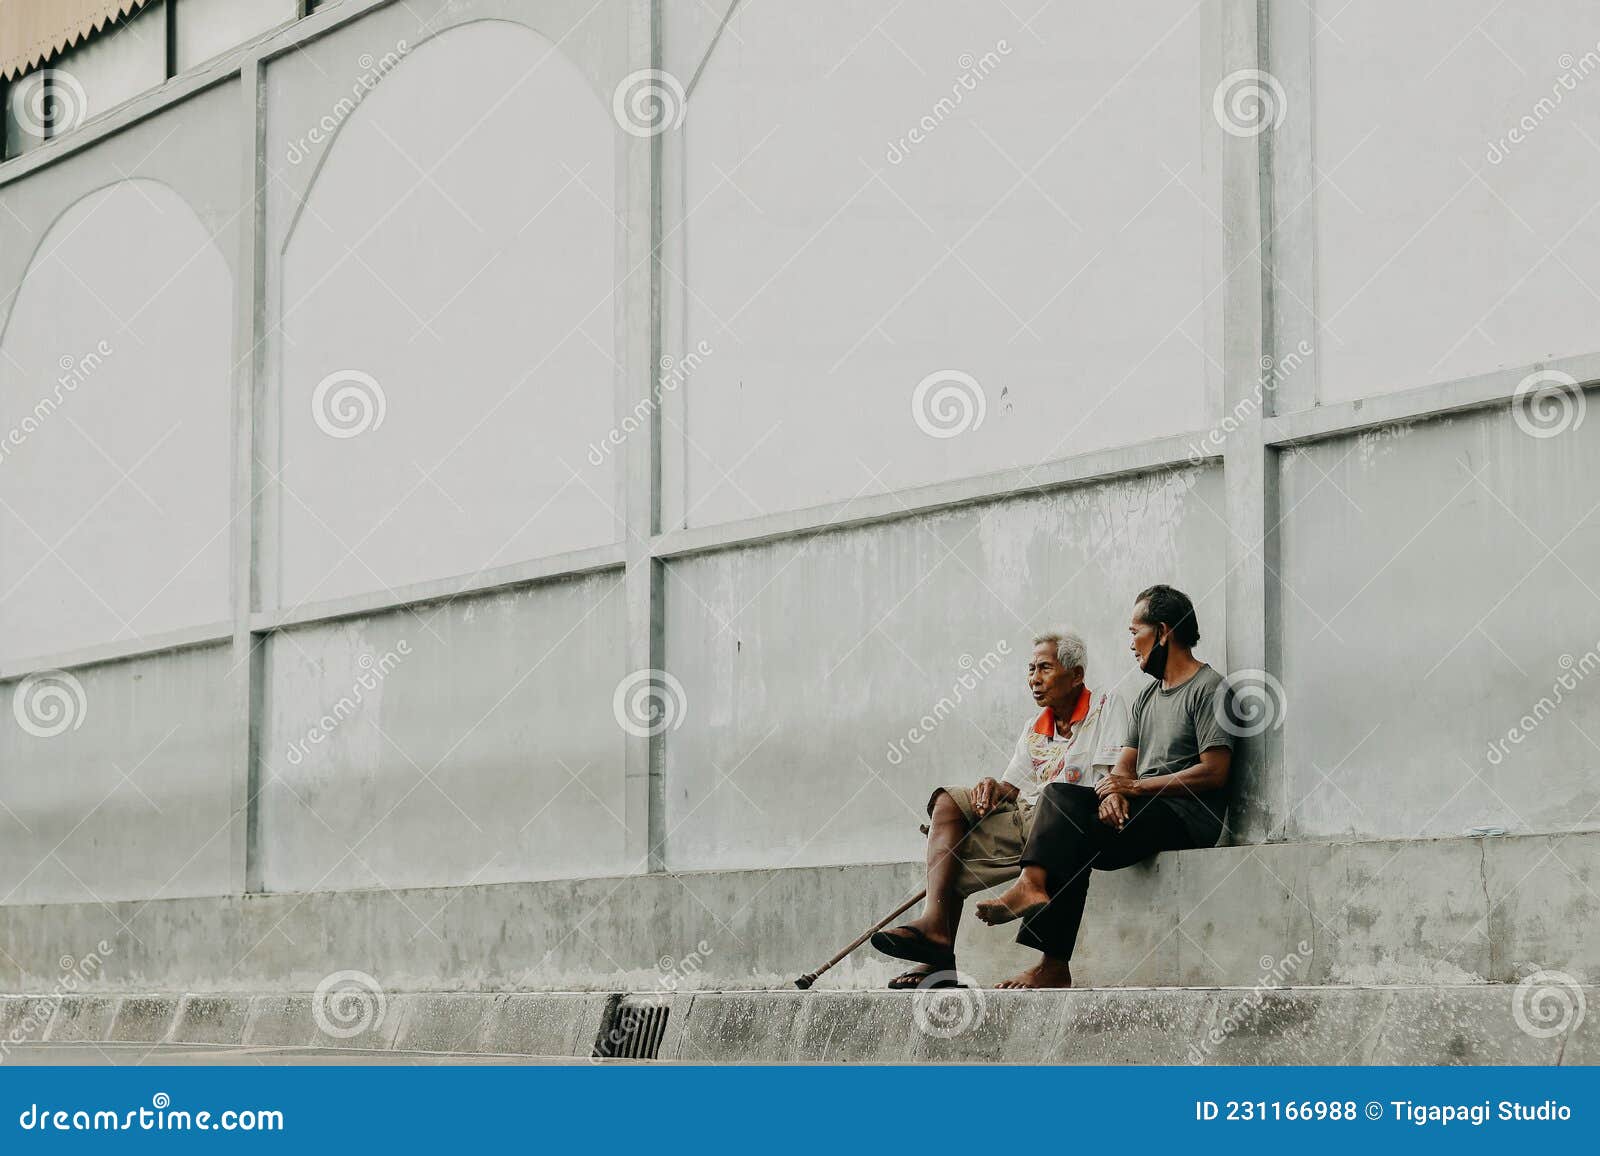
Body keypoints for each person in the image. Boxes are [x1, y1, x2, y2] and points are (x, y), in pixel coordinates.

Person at [975, 584, 1234, 989]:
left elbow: (1214, 772)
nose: (1131, 644)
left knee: (1061, 801)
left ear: (1163, 631)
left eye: (1136, 632)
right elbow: (1125, 766)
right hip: (1144, 811)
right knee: (1062, 807)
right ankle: (1053, 963)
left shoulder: (1209, 688)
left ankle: (1031, 889)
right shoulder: (1147, 697)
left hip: (1186, 818)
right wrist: (1113, 792)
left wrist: (1134, 788)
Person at [870, 629, 1129, 989]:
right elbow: (1012, 787)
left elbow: (1115, 776)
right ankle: (936, 941)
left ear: (1076, 675)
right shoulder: (1034, 727)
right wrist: (991, 787)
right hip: (1028, 816)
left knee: (1050, 800)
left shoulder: (1106, 706)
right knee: (949, 807)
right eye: (1030, 669)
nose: (1034, 679)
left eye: (1044, 668)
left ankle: (946, 950)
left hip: (1069, 820)